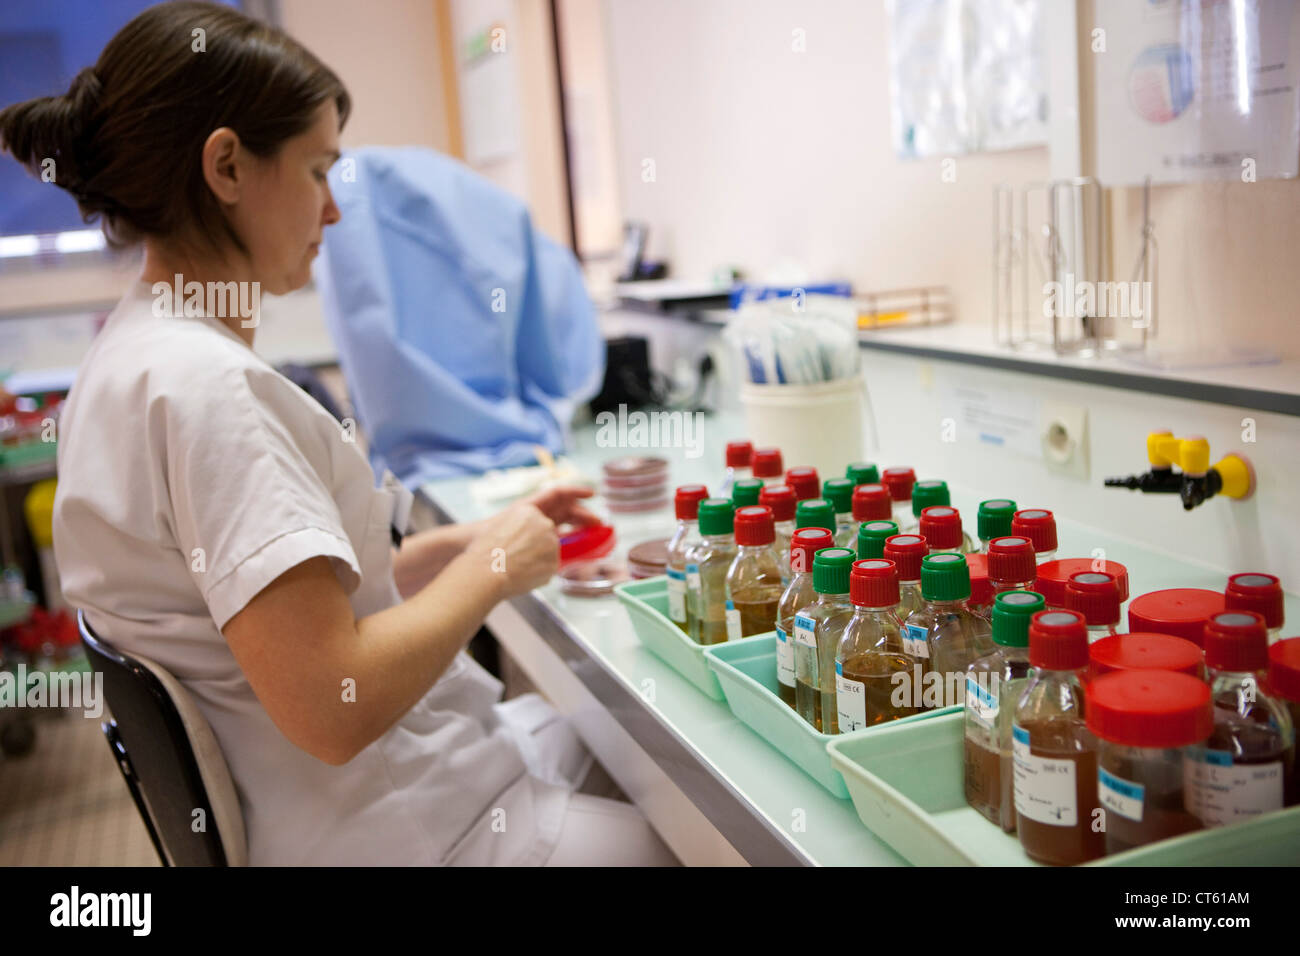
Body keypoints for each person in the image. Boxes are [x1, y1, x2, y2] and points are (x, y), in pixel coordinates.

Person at [0, 1, 676, 867]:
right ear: (228, 166)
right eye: (318, 171)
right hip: (413, 834)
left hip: (371, 805)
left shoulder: (130, 357)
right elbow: (332, 702)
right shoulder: (211, 395)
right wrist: (494, 566)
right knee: (709, 833)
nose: (334, 212)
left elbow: (287, 620)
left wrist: (469, 542)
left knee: (619, 738)